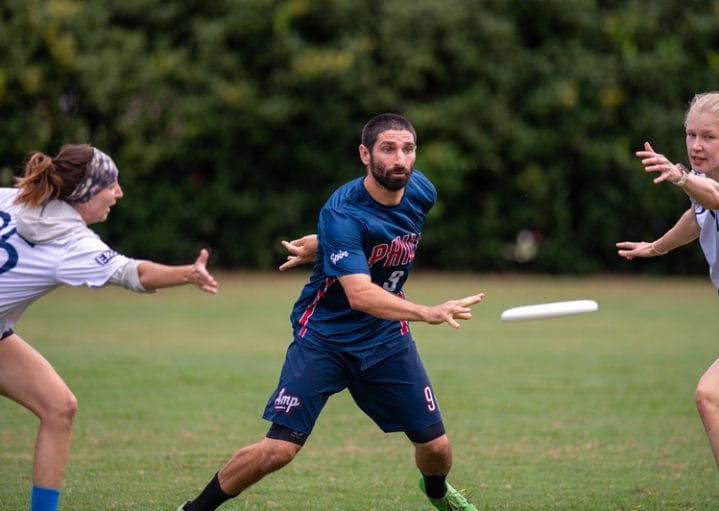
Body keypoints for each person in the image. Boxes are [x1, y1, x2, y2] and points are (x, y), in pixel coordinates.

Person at [177, 113, 484, 511]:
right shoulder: (341, 210)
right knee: (279, 450)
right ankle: (194, 509)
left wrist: (323, 245)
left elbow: (370, 233)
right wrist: (426, 311)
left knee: (437, 448)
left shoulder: (421, 191)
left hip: (385, 338)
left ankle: (438, 494)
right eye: (388, 149)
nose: (400, 160)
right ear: (364, 153)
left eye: (408, 149)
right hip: (326, 337)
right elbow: (358, 293)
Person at [0, 144, 219, 511]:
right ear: (84, 192)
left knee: (59, 406)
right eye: (111, 184)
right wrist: (187, 273)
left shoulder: (12, 198)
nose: (119, 193)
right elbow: (134, 274)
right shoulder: (71, 243)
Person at [617, 80, 719, 511]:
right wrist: (656, 247)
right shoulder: (703, 181)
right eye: (691, 135)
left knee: (712, 394)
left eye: (708, 137)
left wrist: (683, 177)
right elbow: (697, 215)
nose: (696, 145)